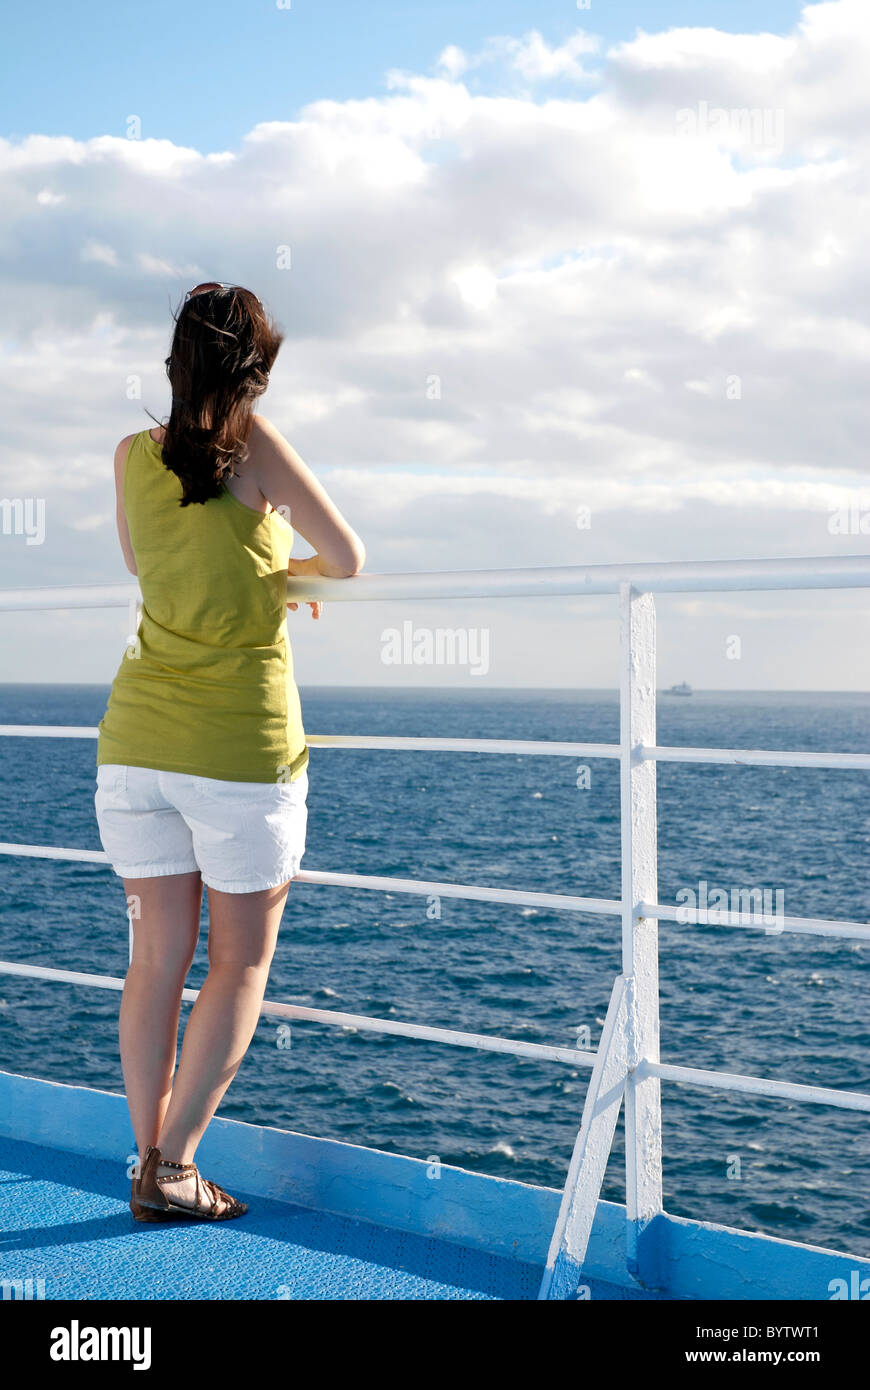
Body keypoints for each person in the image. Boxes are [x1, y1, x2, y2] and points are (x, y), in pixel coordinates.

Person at [94, 282, 365, 1221]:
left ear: (175, 363)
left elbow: (145, 564)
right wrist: (282, 575)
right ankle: (175, 1169)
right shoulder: (258, 445)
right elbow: (348, 557)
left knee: (155, 960)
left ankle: (150, 1159)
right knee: (239, 965)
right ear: (256, 369)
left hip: (134, 748)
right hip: (238, 751)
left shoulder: (132, 455)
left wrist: (249, 567)